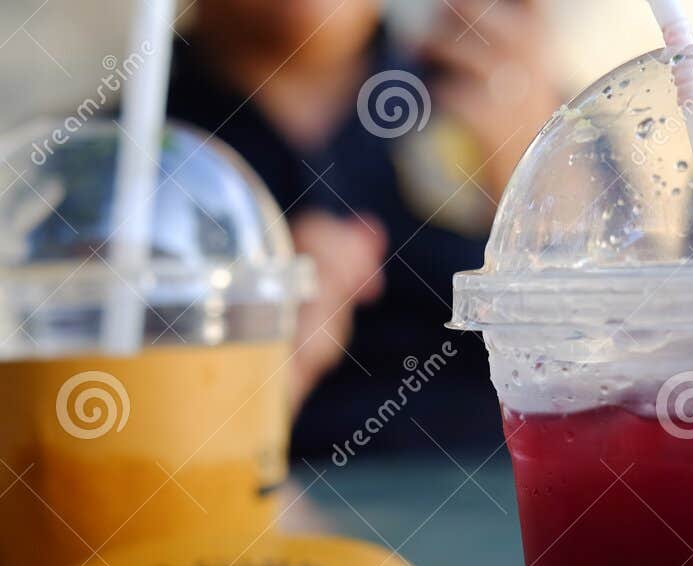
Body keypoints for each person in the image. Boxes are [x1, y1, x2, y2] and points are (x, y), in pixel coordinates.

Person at [166, 0, 560, 462]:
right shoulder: (117, 169)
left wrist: (555, 197)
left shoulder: (521, 98)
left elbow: (626, 367)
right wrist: (268, 370)